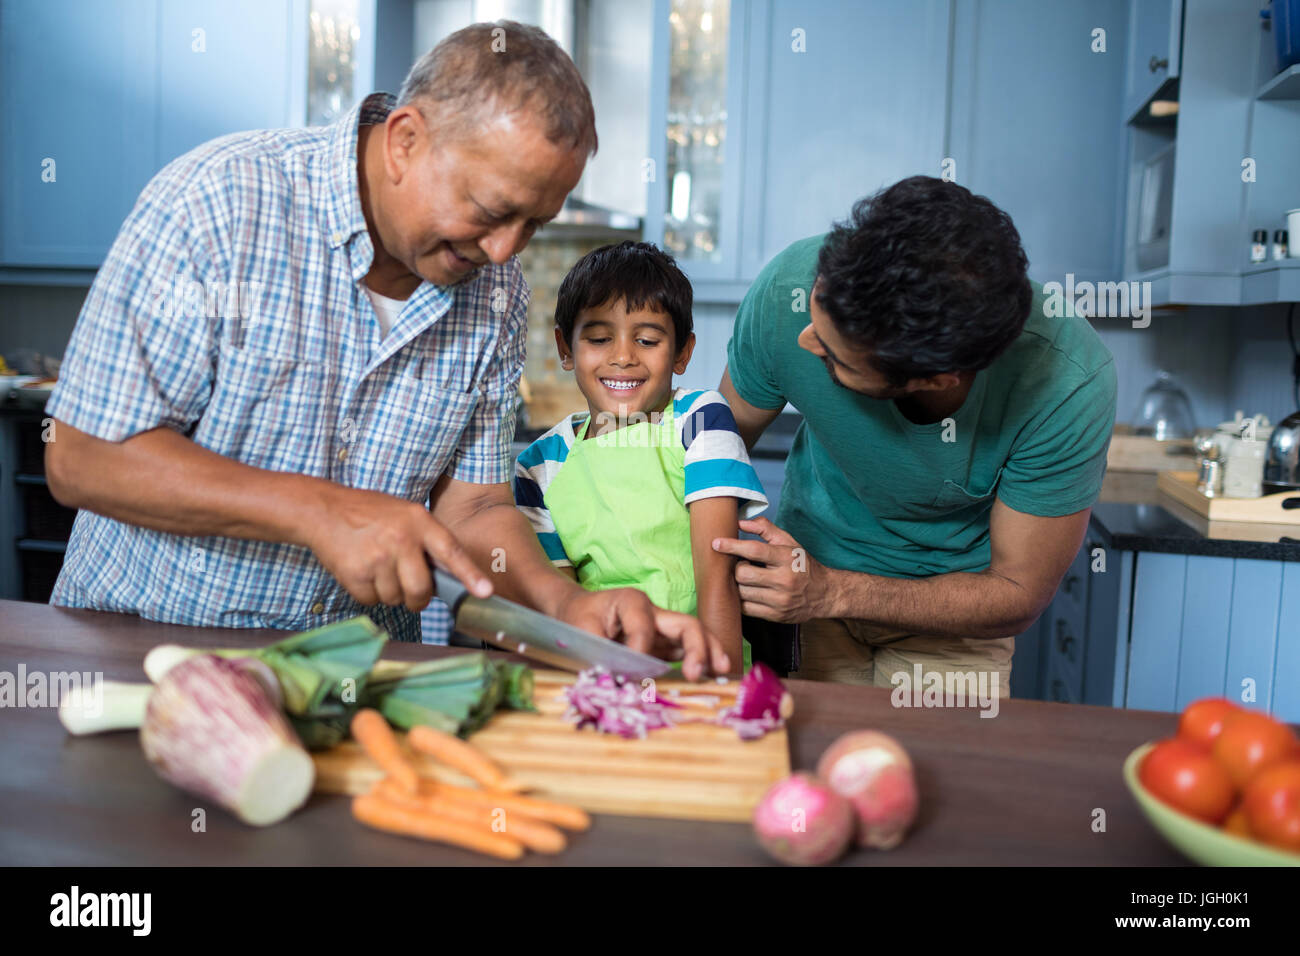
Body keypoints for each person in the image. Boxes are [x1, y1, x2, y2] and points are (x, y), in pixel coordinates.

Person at [43, 21, 727, 679]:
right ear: (405, 141)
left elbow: (477, 508)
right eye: (492, 210)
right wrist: (320, 510)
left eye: (534, 225)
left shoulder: (496, 292)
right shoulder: (219, 204)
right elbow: (81, 457)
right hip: (146, 659)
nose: (504, 251)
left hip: (355, 683)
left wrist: (564, 605)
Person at [713, 176, 1118, 694]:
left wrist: (834, 591)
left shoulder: (1067, 383)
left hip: (954, 616)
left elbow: (1018, 591)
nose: (804, 340)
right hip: (804, 583)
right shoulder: (788, 290)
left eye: (835, 356)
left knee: (937, 771)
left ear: (934, 378)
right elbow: (713, 460)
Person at [514, 242, 768, 674]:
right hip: (600, 674)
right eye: (598, 338)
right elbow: (564, 606)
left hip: (703, 668)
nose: (623, 357)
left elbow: (717, 580)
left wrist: (718, 693)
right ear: (566, 347)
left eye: (647, 339)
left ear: (682, 352)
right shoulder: (538, 466)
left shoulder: (701, 420)